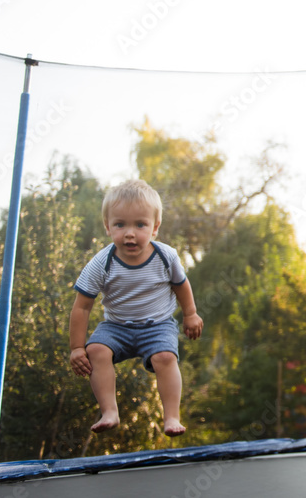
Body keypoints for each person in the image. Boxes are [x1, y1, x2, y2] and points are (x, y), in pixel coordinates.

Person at [69, 179, 203, 436]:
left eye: (140, 225)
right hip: (116, 326)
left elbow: (181, 285)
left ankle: (172, 417)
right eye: (120, 224)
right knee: (96, 349)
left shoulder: (166, 256)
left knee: (165, 357)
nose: (129, 233)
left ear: (155, 228)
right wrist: (77, 348)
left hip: (158, 324)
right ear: (108, 227)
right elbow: (82, 307)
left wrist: (190, 314)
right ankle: (109, 411)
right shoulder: (101, 263)